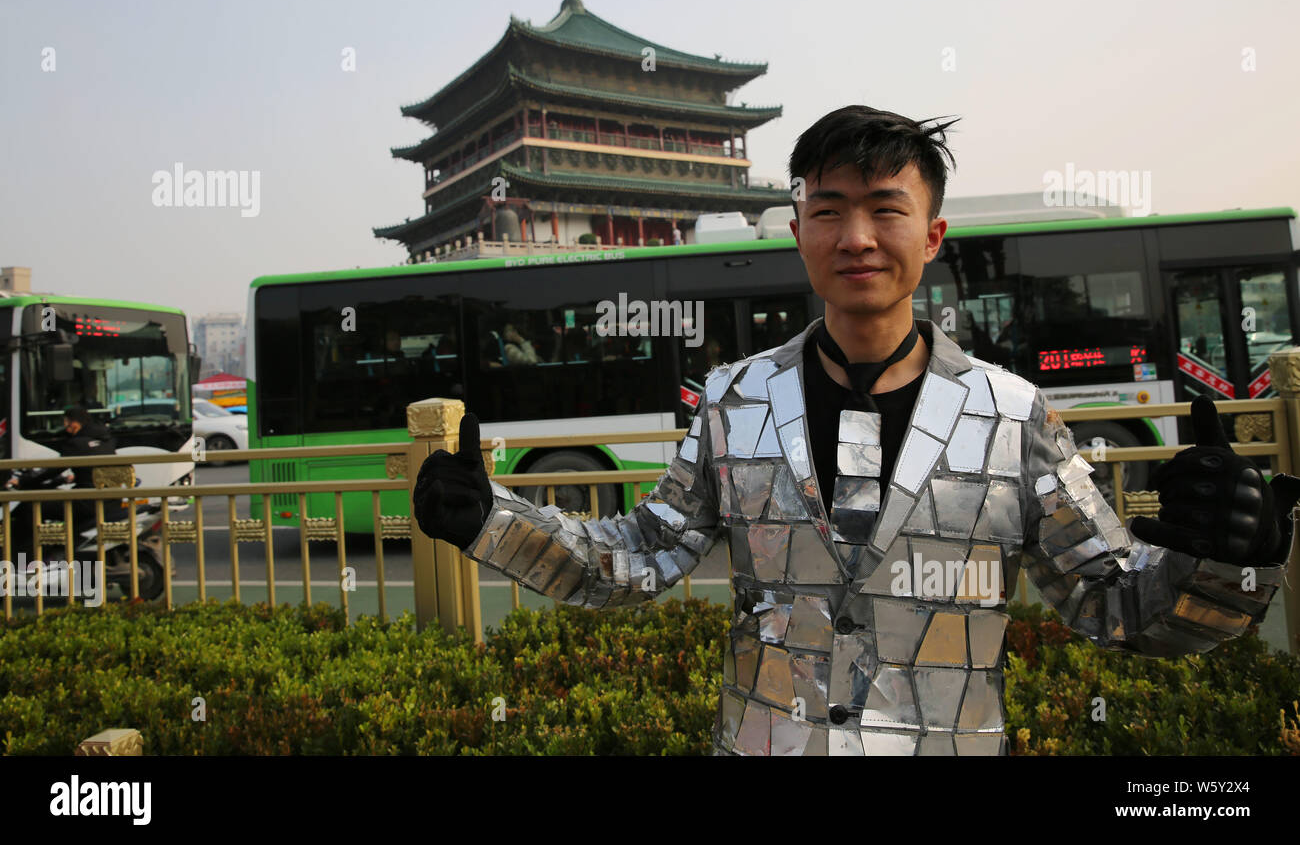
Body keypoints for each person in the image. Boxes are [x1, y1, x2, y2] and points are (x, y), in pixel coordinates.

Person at [412, 105, 1299, 757]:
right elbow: (639, 557)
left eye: (885, 208)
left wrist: (1230, 558)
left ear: (934, 235)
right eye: (829, 211)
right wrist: (490, 518)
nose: (858, 236)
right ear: (798, 232)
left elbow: (1117, 602)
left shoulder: (1013, 416)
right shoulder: (733, 401)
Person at [5, 406, 119, 557]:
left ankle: (25, 557)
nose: (65, 427)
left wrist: (22, 481)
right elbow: (93, 469)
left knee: (32, 508)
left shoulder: (77, 443)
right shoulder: (106, 440)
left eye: (65, 422)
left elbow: (53, 469)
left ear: (73, 424)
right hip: (111, 499)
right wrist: (69, 478)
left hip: (88, 501)